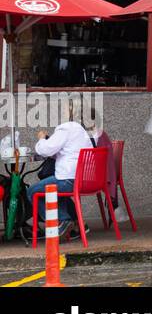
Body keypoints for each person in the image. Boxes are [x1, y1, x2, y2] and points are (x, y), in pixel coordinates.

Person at [30, 97, 93, 238]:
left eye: (64, 108)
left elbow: (44, 150)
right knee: (58, 193)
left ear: (70, 110)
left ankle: (63, 221)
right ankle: (75, 223)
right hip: (81, 179)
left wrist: (41, 137)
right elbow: (66, 151)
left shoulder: (66, 128)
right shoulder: (82, 130)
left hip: (67, 180)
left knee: (32, 192)